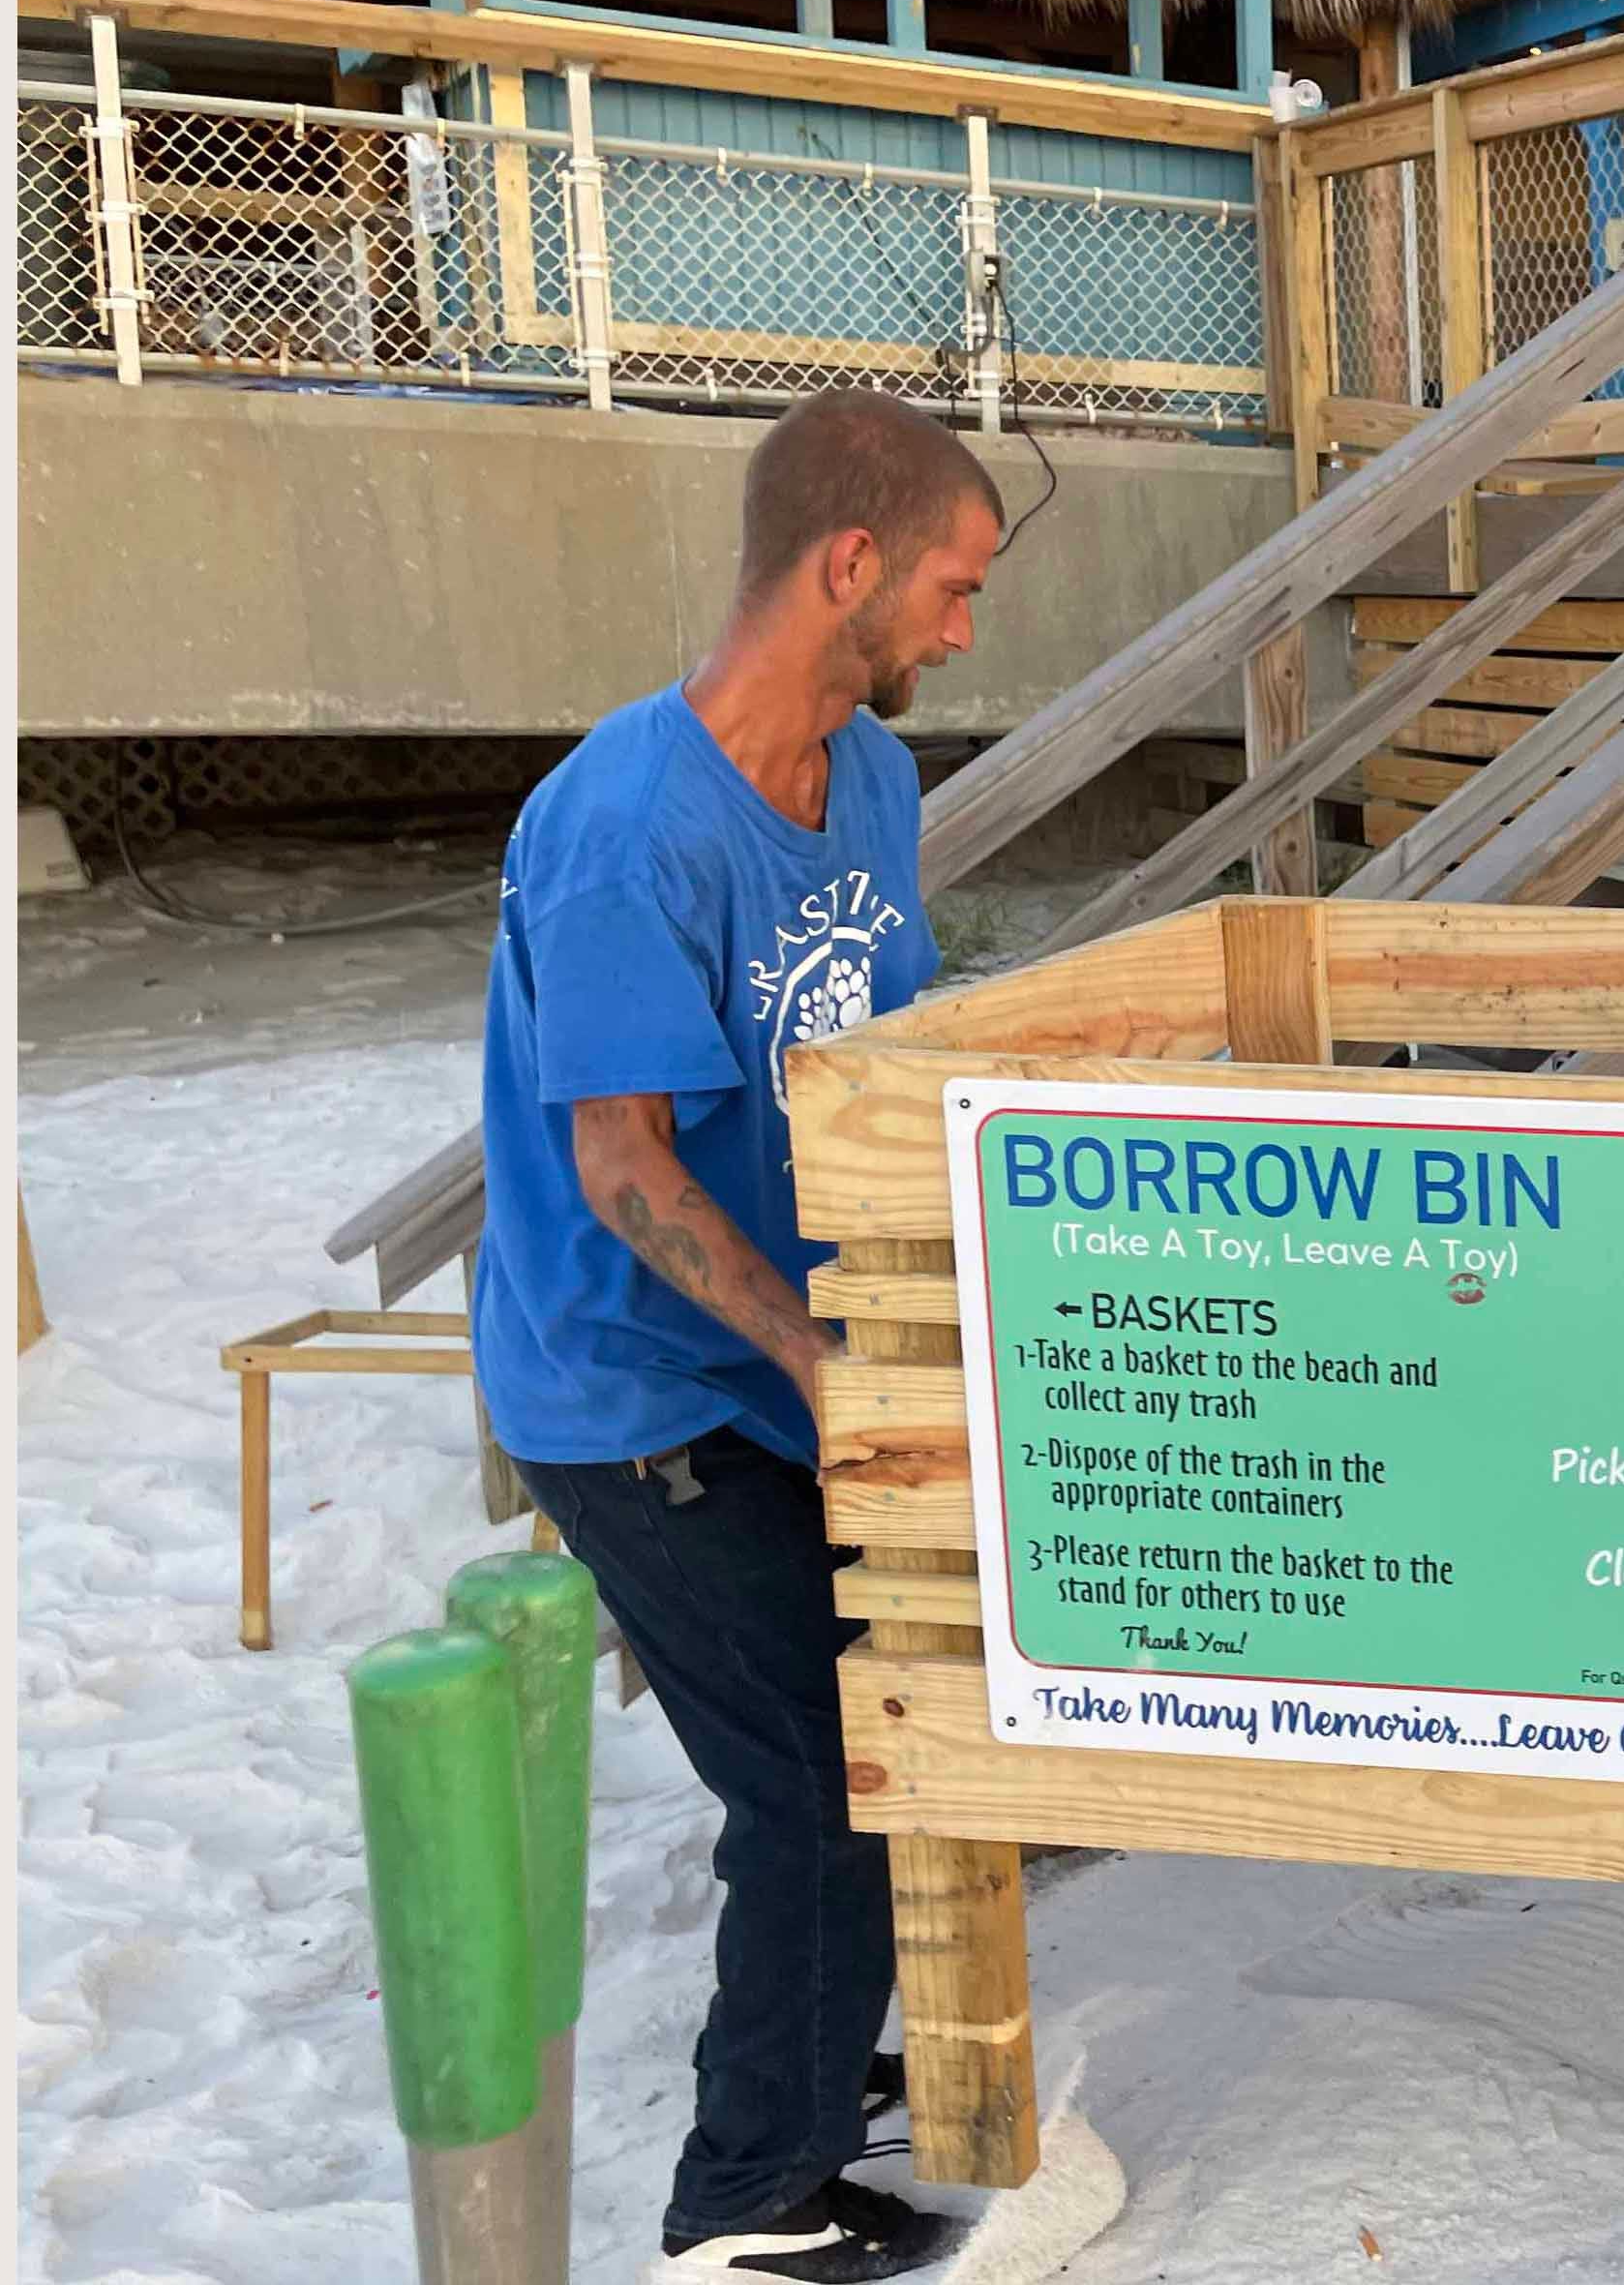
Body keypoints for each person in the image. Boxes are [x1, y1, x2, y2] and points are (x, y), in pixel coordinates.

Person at [472, 390, 1004, 2280]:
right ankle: (746, 2202)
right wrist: (816, 1356)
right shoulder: (622, 828)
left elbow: (880, 1048)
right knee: (817, 1771)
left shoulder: (873, 782)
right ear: (850, 563)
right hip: (629, 1388)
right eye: (953, 586)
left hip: (793, 1357)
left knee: (892, 1721)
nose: (965, 630)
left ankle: (815, 2052)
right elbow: (620, 1164)